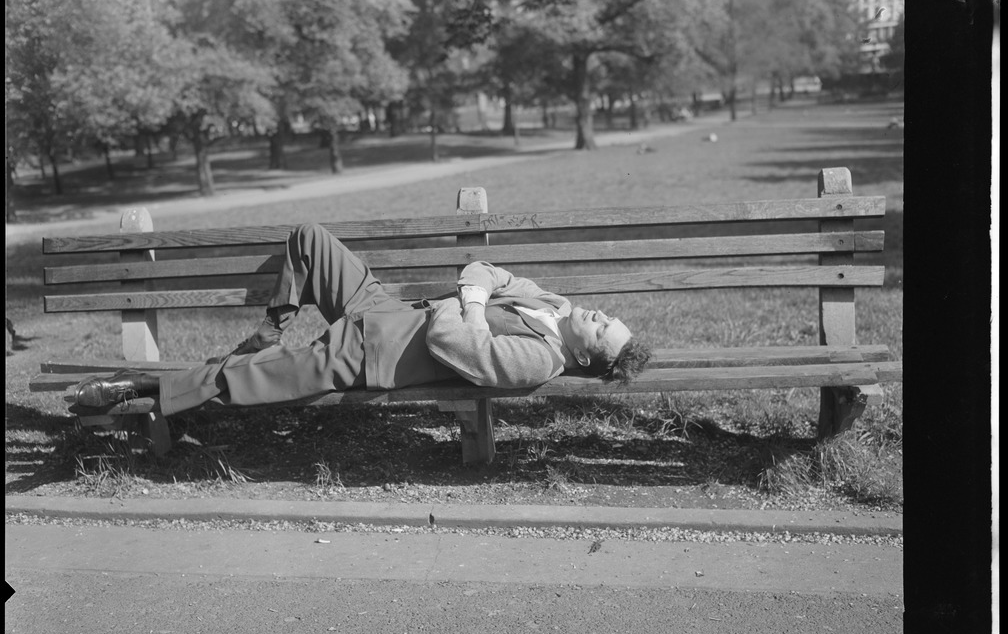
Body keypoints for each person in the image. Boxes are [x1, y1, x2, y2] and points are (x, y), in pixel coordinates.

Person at [71, 224, 651, 414]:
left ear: (584, 355)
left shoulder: (541, 359)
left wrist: (469, 300)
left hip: (377, 355)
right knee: (310, 239)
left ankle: (140, 388)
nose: (599, 314)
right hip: (386, 312)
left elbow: (458, 344)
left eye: (603, 328)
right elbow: (485, 269)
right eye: (609, 316)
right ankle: (269, 329)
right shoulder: (553, 307)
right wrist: (474, 295)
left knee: (249, 378)